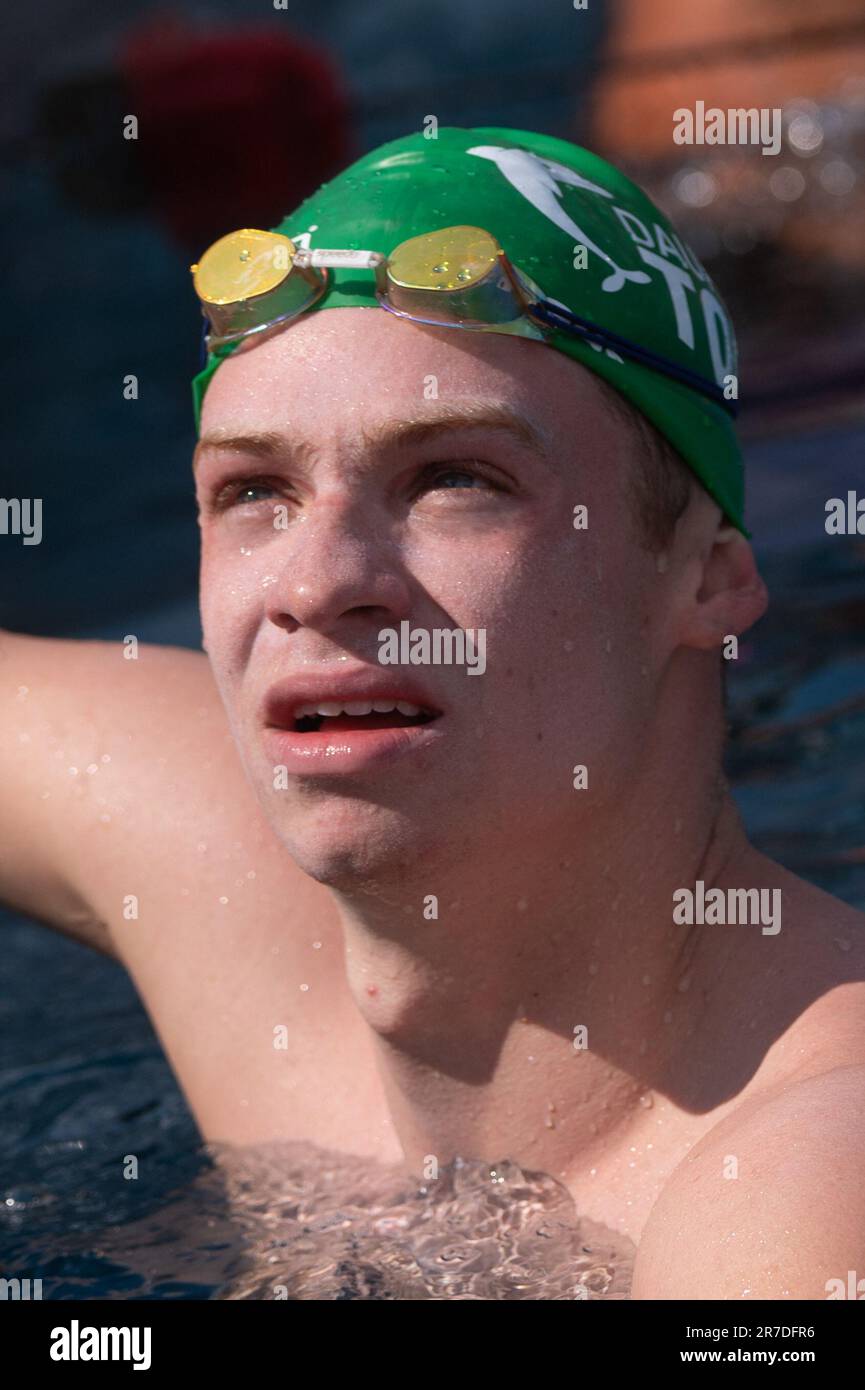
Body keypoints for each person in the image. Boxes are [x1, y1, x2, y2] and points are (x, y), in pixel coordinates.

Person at [3, 127, 864, 1300]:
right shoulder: (213, 880)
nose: (315, 583)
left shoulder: (799, 1192)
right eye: (255, 491)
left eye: (455, 479)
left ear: (705, 576)